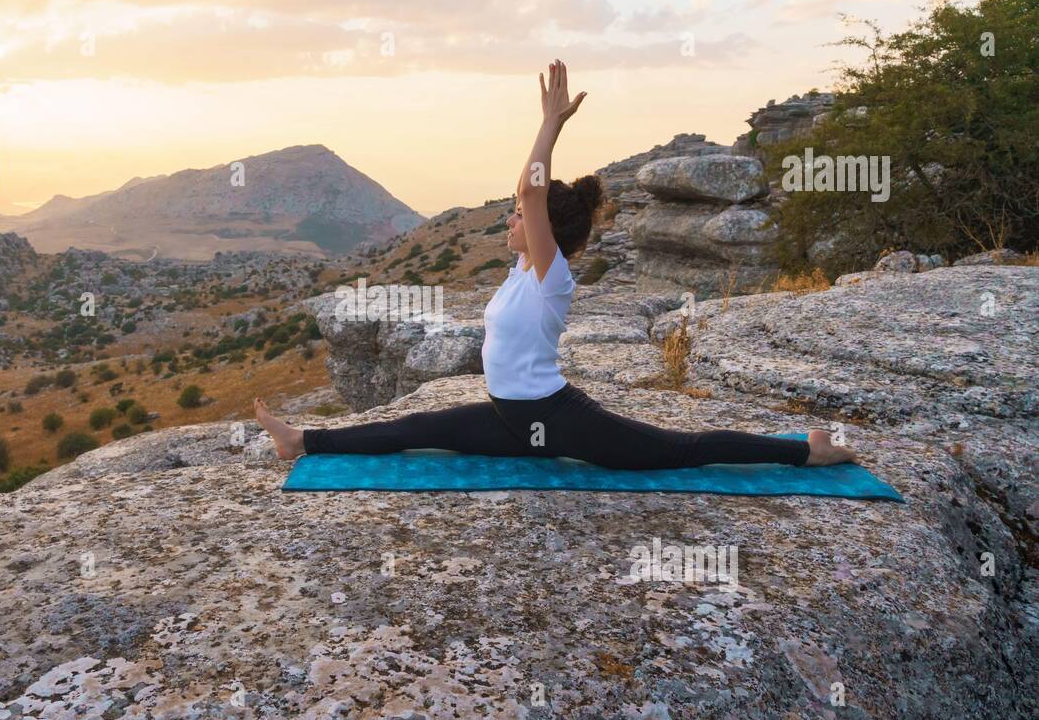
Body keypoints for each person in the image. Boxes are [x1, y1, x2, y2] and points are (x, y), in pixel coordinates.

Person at [255, 60, 857, 470]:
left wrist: (549, 124)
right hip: (509, 416)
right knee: (416, 431)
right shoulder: (520, 274)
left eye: (518, 220)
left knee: (679, 448)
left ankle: (808, 451)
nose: (511, 222)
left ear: (543, 233)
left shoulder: (551, 278)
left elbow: (532, 193)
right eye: (516, 219)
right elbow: (528, 202)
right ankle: (301, 440)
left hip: (554, 418)